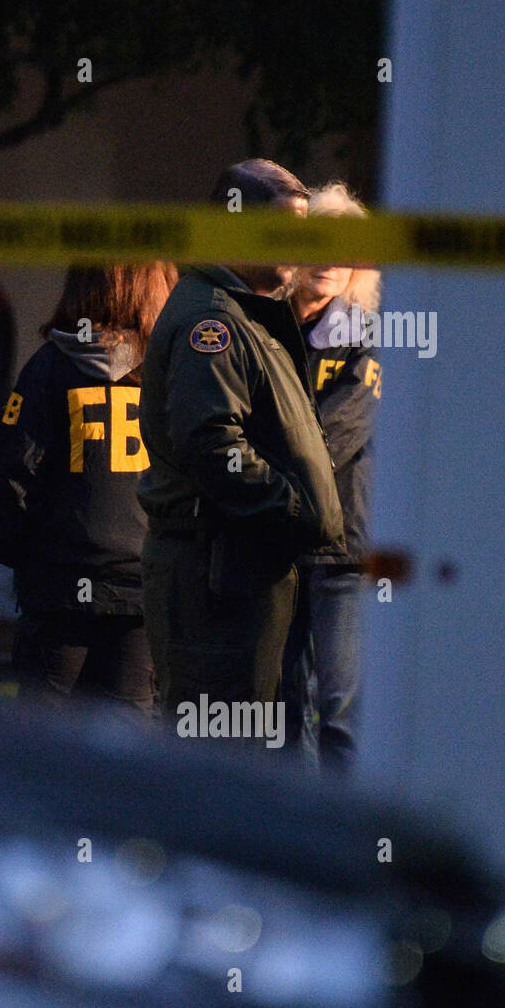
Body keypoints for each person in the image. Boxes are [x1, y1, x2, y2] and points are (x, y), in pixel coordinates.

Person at [138, 159, 344, 737]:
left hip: (240, 574)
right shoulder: (214, 319)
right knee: (219, 756)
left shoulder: (247, 315)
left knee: (246, 752)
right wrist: (296, 508)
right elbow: (211, 441)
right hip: (215, 581)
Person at [0, 262, 177, 717]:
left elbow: (15, 471)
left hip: (60, 586)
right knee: (129, 744)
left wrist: (19, 555)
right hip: (141, 586)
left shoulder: (47, 368)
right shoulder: (170, 370)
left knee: (46, 742)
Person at [281, 183, 382, 769]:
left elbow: (333, 438)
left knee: (342, 714)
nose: (329, 261)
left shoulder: (367, 336)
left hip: (342, 552)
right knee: (280, 710)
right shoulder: (263, 330)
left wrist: (260, 472)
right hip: (275, 547)